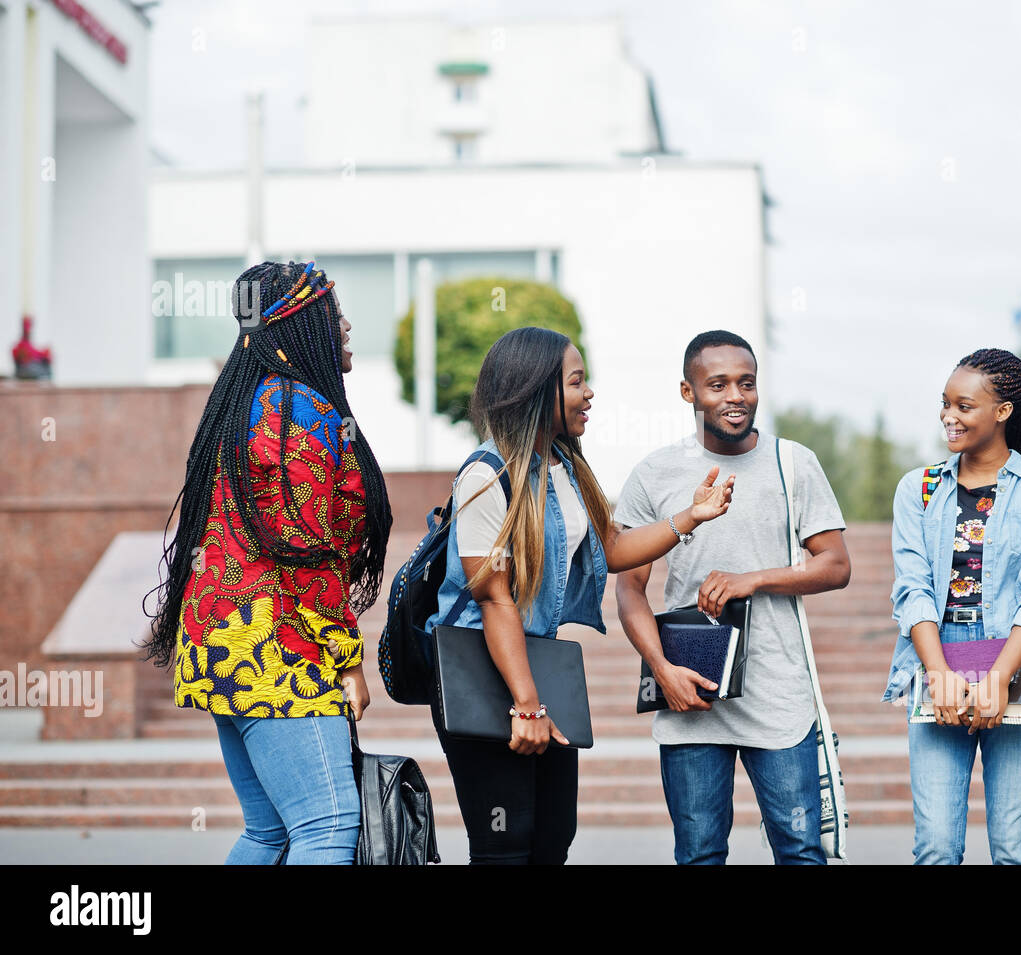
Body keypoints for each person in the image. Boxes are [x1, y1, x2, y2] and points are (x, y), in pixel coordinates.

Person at [425, 326, 735, 865]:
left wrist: (690, 516)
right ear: (536, 388)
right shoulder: (485, 473)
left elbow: (610, 548)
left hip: (535, 662)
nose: (588, 394)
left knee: (552, 837)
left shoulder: (563, 466)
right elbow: (494, 598)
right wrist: (525, 706)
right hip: (485, 664)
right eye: (575, 382)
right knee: (505, 843)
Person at [144, 260, 392, 864]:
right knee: (328, 826)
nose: (347, 325)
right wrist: (348, 661)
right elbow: (308, 559)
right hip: (278, 652)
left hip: (222, 646)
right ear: (300, 325)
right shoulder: (298, 414)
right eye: (333, 314)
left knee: (270, 831)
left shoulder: (246, 407)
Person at [615, 330, 851, 865]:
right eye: (717, 384)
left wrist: (754, 579)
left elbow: (836, 566)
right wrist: (661, 670)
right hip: (691, 693)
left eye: (746, 383)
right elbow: (628, 585)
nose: (734, 396)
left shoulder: (793, 463)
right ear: (687, 392)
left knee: (801, 851)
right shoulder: (655, 472)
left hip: (780, 696)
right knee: (699, 854)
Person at [884, 348, 1021, 865]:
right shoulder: (919, 490)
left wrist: (998, 678)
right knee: (936, 846)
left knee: (1014, 845)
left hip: (1016, 658)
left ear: (1002, 412)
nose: (950, 416)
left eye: (964, 406)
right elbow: (913, 588)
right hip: (937, 653)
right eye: (945, 404)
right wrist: (937, 671)